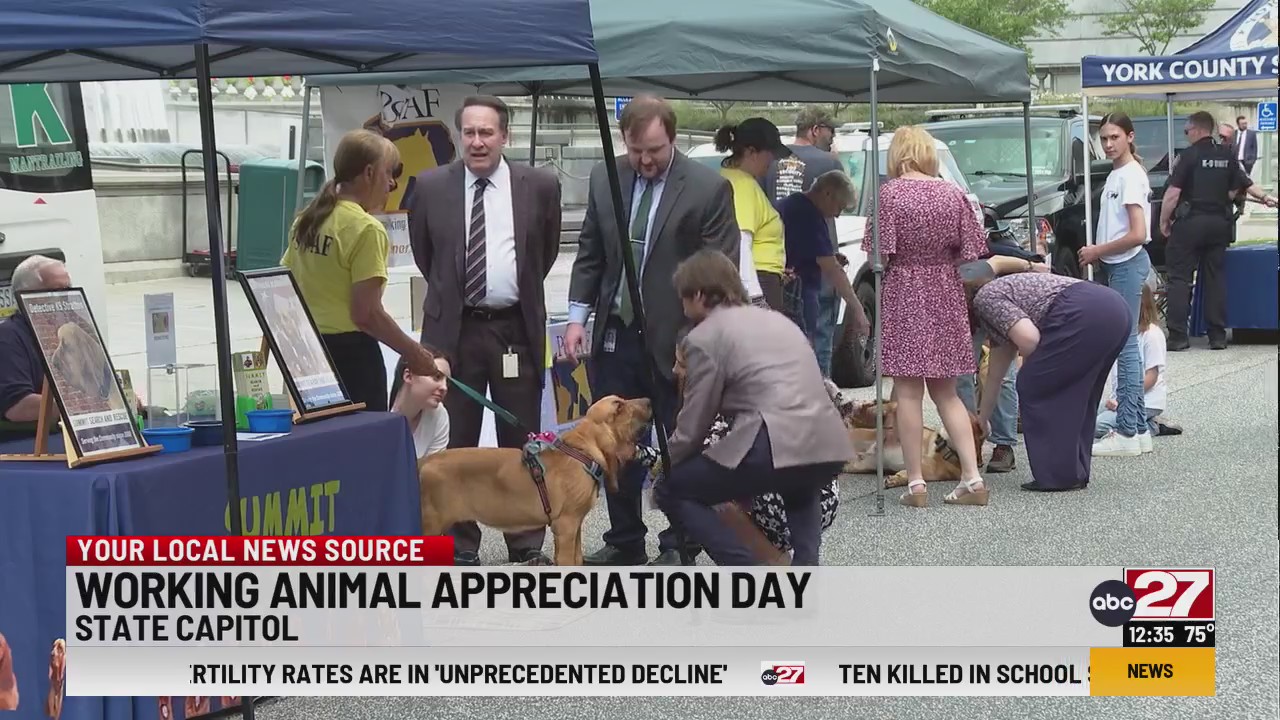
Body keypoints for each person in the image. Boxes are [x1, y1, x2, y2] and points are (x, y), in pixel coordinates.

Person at [563, 94, 739, 567]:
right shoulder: (606, 178)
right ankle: (624, 538)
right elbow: (591, 252)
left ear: (674, 139)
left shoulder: (707, 188)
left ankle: (680, 541)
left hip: (678, 343)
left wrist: (696, 343)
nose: (645, 160)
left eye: (655, 151)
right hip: (616, 336)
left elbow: (720, 274)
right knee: (614, 443)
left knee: (680, 445)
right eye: (636, 150)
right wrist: (578, 318)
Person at [406, 95, 562, 566]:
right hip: (453, 331)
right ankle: (459, 546)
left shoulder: (539, 185)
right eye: (469, 133)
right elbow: (425, 255)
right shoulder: (430, 187)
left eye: (486, 132)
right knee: (456, 441)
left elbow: (545, 254)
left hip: (514, 327)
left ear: (504, 136)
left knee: (523, 440)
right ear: (459, 137)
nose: (477, 142)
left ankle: (526, 544)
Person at [655, 249, 853, 566]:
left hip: (771, 444)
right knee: (798, 481)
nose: (682, 306)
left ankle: (746, 574)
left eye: (684, 297)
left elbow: (694, 425)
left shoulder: (705, 337)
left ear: (701, 295)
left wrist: (664, 463)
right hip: (824, 445)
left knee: (674, 489)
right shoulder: (779, 321)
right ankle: (806, 576)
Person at [864, 125, 987, 508]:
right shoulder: (952, 193)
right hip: (945, 292)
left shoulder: (891, 194)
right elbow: (973, 251)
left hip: (904, 291)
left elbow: (877, 254)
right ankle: (972, 476)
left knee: (908, 393)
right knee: (946, 392)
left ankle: (916, 483)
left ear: (899, 154)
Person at [282, 128, 442, 413]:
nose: (391, 184)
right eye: (389, 173)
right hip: (351, 356)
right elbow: (366, 314)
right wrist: (414, 353)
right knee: (362, 446)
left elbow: (286, 284)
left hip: (308, 352)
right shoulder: (366, 229)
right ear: (369, 173)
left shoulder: (306, 220)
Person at [965, 257, 1129, 492]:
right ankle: (1075, 471)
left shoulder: (986, 298)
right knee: (1079, 394)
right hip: (1112, 307)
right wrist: (983, 418)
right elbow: (996, 373)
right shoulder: (1004, 290)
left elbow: (1030, 340)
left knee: (1033, 385)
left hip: (1082, 312)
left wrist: (1033, 373)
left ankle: (1056, 476)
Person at [1159, 111, 1277, 352]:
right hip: (1218, 225)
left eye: (1186, 131)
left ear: (1196, 130)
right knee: (1215, 279)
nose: (1186, 135)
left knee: (1180, 278)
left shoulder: (1189, 156)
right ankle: (1217, 336)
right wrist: (1266, 197)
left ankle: (1179, 336)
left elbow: (1172, 194)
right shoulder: (1226, 155)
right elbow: (1247, 183)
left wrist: (1164, 222)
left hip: (1190, 223)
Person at [1077, 112, 1154, 458]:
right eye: (1104, 138)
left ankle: (1126, 429)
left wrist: (1097, 251)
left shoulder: (1130, 176)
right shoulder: (1117, 174)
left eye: (1114, 137)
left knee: (1125, 347)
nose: (1108, 144)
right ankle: (1137, 429)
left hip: (1125, 264)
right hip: (1116, 265)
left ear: (1130, 137)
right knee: (1126, 346)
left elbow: (1138, 234)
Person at [765, 107, 845, 375]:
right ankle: (823, 397)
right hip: (819, 264)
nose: (832, 138)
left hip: (779, 265)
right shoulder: (829, 162)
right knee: (821, 336)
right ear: (815, 130)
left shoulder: (773, 160)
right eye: (830, 131)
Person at [776, 170, 867, 345]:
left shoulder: (793, 204)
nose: (838, 215)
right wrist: (857, 309)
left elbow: (807, 250)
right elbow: (832, 269)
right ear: (827, 194)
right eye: (839, 206)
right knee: (804, 349)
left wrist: (828, 257)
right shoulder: (809, 215)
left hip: (791, 288)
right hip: (798, 294)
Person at [712, 117, 791, 310]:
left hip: (761, 276)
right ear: (751, 152)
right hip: (758, 283)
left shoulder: (731, 178)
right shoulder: (742, 185)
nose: (772, 159)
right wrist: (755, 297)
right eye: (769, 153)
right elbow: (741, 242)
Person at [0, 255, 71, 442]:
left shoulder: (70, 331)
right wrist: (83, 405)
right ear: (26, 296)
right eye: (57, 291)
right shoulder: (8, 337)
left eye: (68, 289)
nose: (66, 299)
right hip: (32, 440)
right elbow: (18, 406)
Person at [1096, 284, 1165, 442]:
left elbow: (1151, 377)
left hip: (1146, 400)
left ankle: (1150, 426)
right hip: (1120, 398)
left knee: (1098, 426)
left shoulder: (1151, 335)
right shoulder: (1123, 332)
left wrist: (1123, 401)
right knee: (1083, 415)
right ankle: (1141, 422)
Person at [391, 356, 452, 459]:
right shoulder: (377, 411)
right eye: (437, 377)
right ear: (408, 376)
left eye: (448, 382)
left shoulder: (439, 415)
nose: (444, 388)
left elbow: (432, 471)